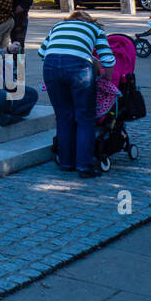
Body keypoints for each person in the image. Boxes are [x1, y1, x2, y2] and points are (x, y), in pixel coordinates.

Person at [38, 10, 116, 177]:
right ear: (90, 20)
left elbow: (41, 53)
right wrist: (107, 78)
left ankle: (66, 163)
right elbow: (108, 59)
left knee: (63, 116)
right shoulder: (95, 28)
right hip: (78, 68)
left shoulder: (58, 25)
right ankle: (85, 166)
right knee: (85, 118)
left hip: (50, 67)